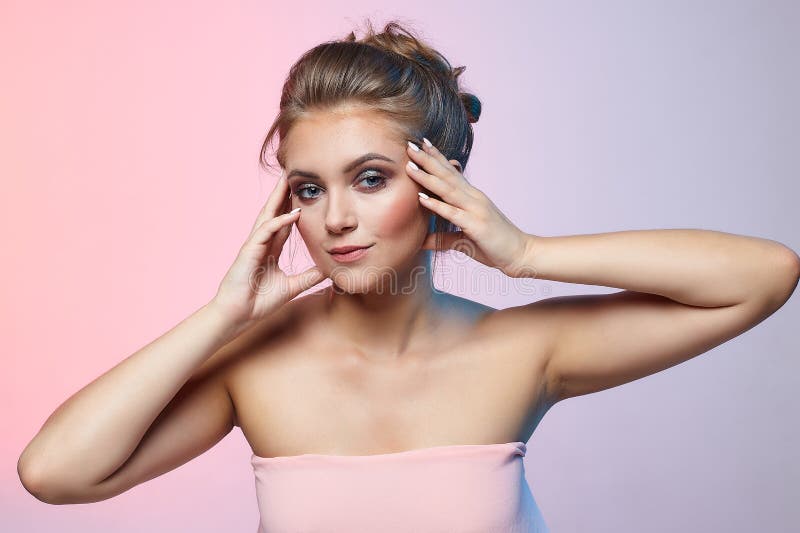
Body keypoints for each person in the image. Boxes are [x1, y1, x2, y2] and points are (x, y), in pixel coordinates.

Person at [17, 19, 800, 533]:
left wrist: (525, 252)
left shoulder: (520, 350)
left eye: (370, 178)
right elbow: (53, 472)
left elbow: (763, 275)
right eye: (309, 188)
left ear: (439, 185)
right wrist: (222, 315)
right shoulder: (253, 364)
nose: (334, 219)